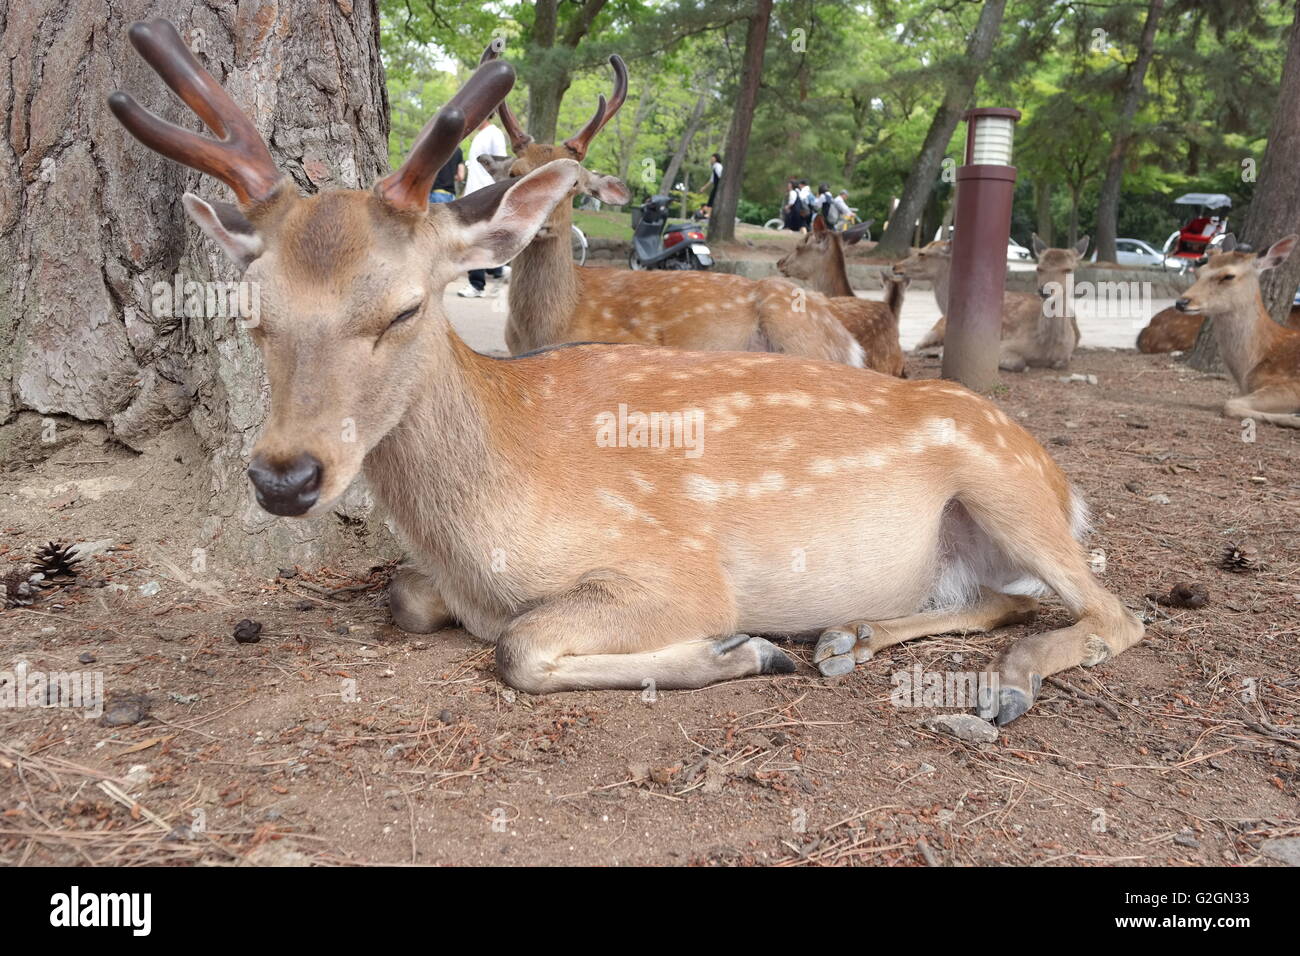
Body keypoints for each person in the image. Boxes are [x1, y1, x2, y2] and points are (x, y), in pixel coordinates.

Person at [457, 117, 509, 298]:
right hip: (474, 193)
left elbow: (501, 166)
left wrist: (497, 193)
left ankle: (478, 284)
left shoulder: (494, 134)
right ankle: (498, 271)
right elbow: (474, 172)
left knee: (477, 239)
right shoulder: (479, 136)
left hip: (487, 194)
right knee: (481, 238)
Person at [702, 153, 722, 218]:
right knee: (712, 199)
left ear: (716, 159)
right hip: (716, 185)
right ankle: (709, 214)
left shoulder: (717, 166)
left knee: (712, 199)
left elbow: (720, 175)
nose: (711, 159)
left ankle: (709, 214)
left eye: (712, 158)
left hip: (719, 186)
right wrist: (704, 188)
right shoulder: (715, 167)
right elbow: (712, 180)